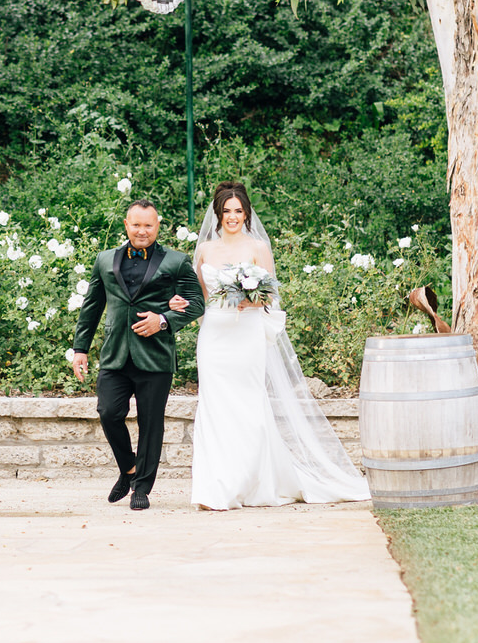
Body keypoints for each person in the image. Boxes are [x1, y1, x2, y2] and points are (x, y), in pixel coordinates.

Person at [181, 181, 370, 510]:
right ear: (217, 214)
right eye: (226, 211)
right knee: (214, 407)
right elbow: (202, 298)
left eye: (238, 211)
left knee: (249, 406)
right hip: (214, 337)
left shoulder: (257, 248)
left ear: (246, 214)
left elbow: (269, 296)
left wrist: (246, 299)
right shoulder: (204, 251)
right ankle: (216, 489)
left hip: (248, 334)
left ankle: (252, 483)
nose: (232, 217)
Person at [69, 200, 205, 511]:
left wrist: (164, 320)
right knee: (108, 412)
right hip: (115, 354)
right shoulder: (104, 260)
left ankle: (142, 487)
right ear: (126, 225)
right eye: (136, 225)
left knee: (150, 423)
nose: (142, 231)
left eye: (148, 225)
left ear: (158, 226)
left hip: (155, 357)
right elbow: (92, 307)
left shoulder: (176, 261)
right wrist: (80, 348)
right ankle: (129, 469)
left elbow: (196, 303)